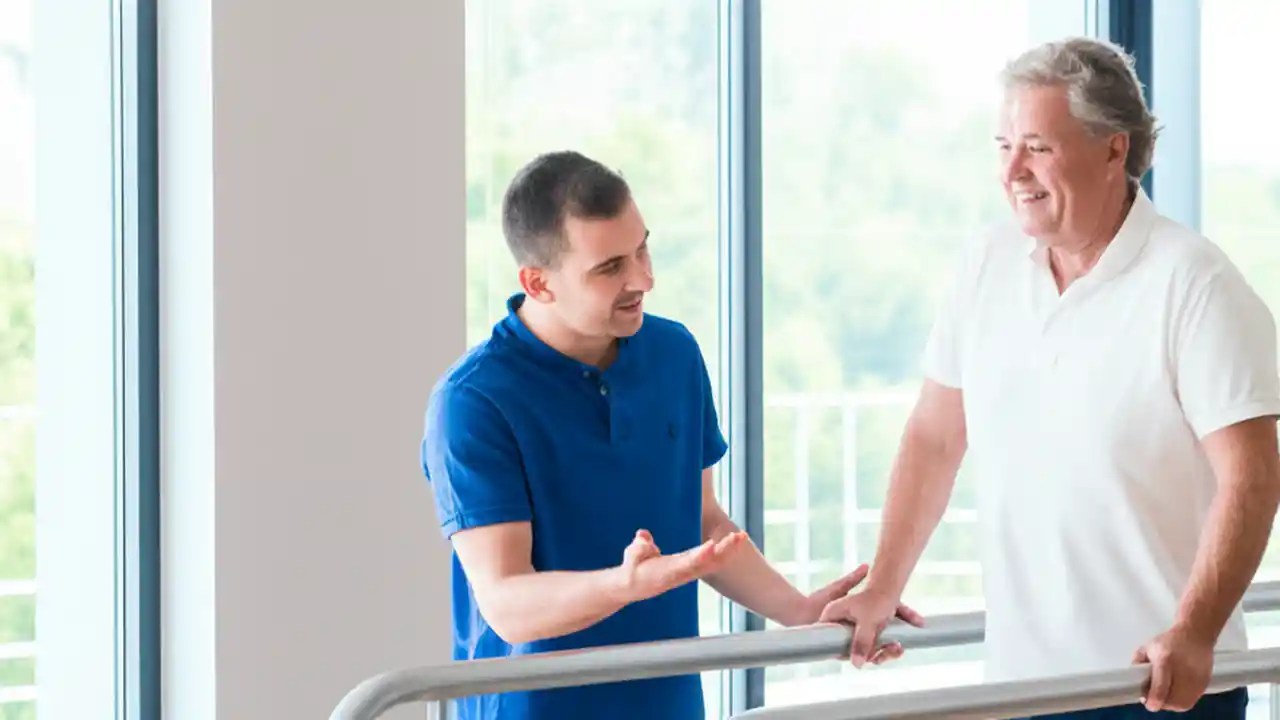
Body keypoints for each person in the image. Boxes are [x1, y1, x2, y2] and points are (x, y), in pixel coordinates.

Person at [817, 38, 1280, 719]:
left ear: (1114, 149)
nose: (1013, 170)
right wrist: (884, 584)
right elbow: (937, 437)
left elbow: (1253, 477)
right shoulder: (987, 263)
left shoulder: (1195, 284)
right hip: (1020, 689)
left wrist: (1195, 631)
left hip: (1157, 691)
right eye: (1003, 144)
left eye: (1037, 145)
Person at [422, 150, 918, 720]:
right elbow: (506, 601)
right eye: (610, 267)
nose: (644, 279)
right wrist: (623, 586)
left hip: (668, 702)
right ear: (538, 282)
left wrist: (800, 611)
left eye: (642, 249)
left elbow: (702, 522)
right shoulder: (472, 401)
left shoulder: (674, 353)